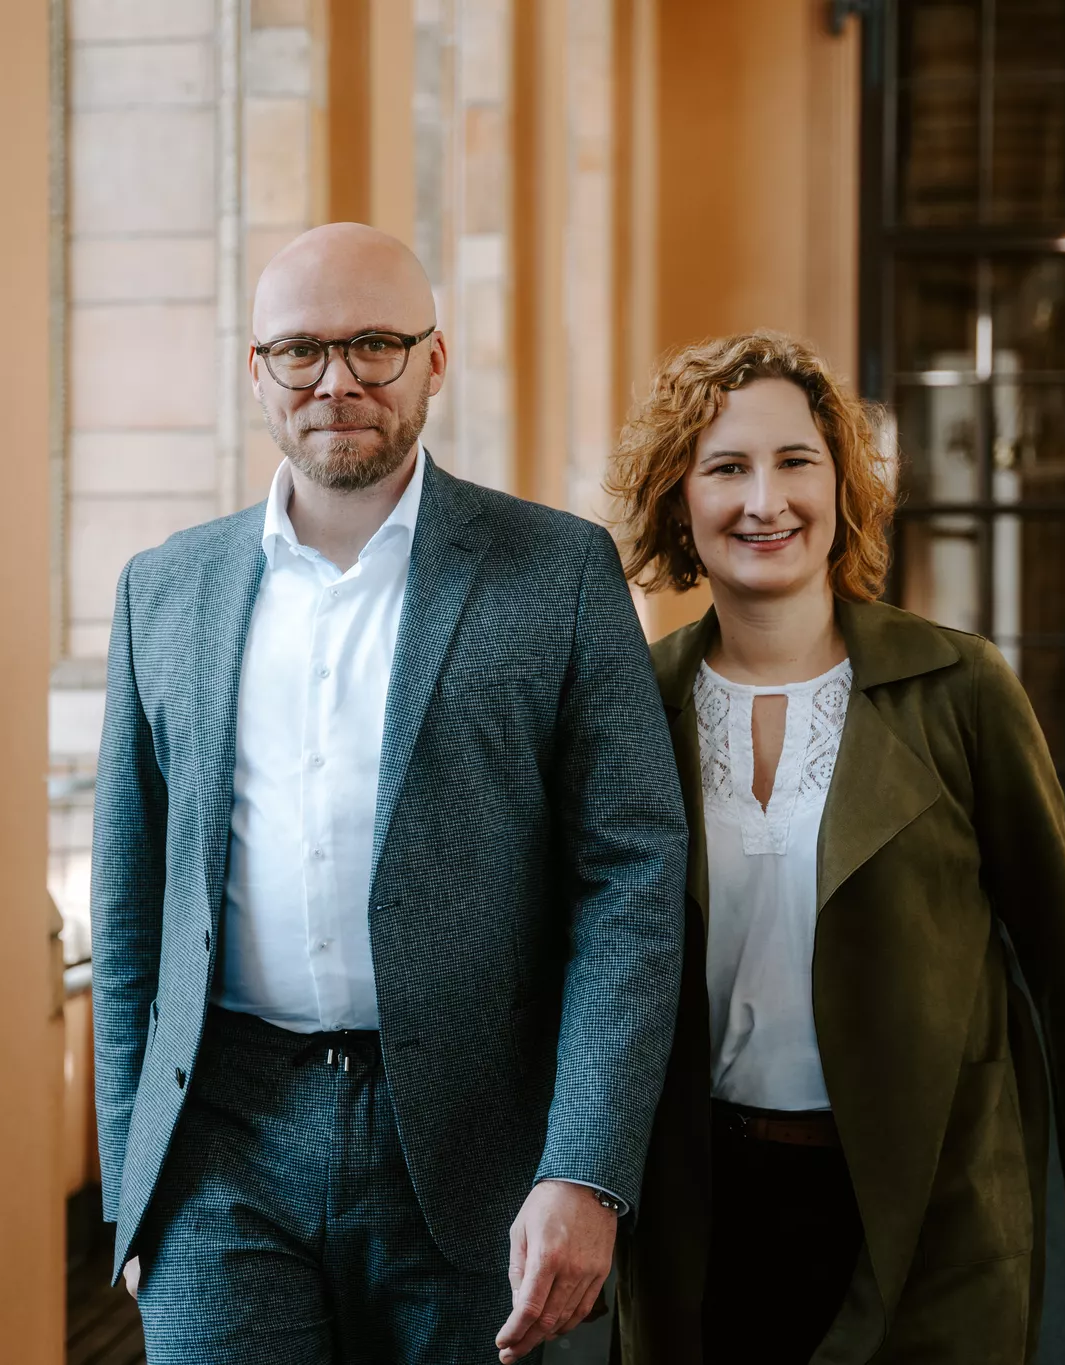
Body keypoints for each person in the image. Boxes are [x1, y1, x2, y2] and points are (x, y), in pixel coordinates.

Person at [89, 223, 687, 1365]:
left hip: (477, 1147)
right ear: (255, 370)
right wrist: (132, 1180)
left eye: (375, 344)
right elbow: (130, 915)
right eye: (301, 352)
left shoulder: (555, 572)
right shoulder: (161, 591)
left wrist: (584, 1168)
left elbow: (632, 880)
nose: (339, 382)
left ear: (434, 359)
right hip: (220, 1148)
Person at [605, 331, 1065, 1363]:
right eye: (723, 468)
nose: (762, 501)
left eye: (793, 462)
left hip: (927, 1196)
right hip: (698, 1198)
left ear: (841, 485)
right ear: (676, 501)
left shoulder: (960, 689)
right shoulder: (637, 704)